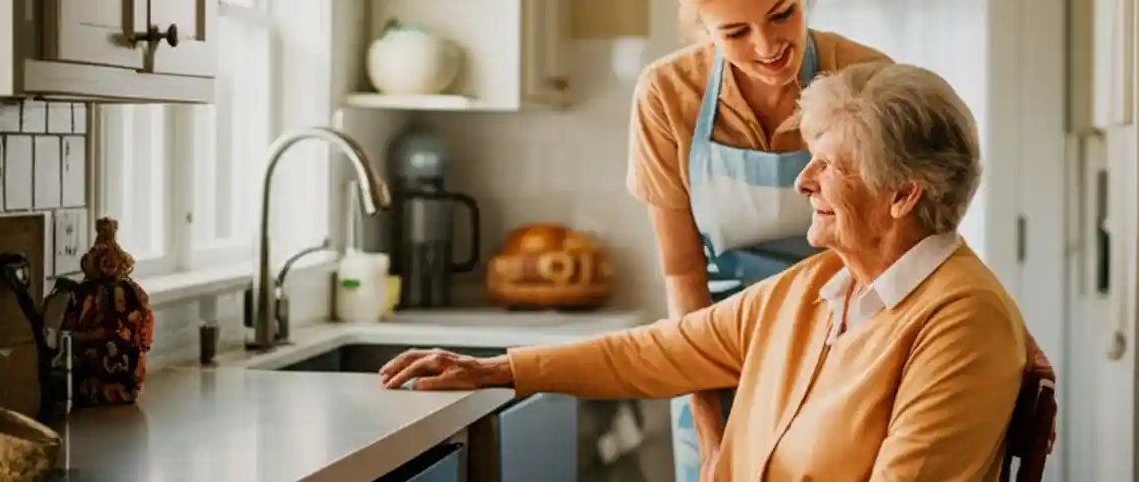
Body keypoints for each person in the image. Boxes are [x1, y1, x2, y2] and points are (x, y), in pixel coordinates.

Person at [378, 61, 1049, 481]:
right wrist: (499, 369)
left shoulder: (963, 322)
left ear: (902, 195)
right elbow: (663, 352)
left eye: (829, 165)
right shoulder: (819, 286)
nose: (805, 182)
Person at [626, 0, 892, 481]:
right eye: (734, 32)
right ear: (700, 27)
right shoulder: (668, 95)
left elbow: (914, 241)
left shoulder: (869, 79)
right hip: (717, 365)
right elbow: (682, 274)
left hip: (846, 362)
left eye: (782, 14)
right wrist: (709, 429)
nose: (769, 48)